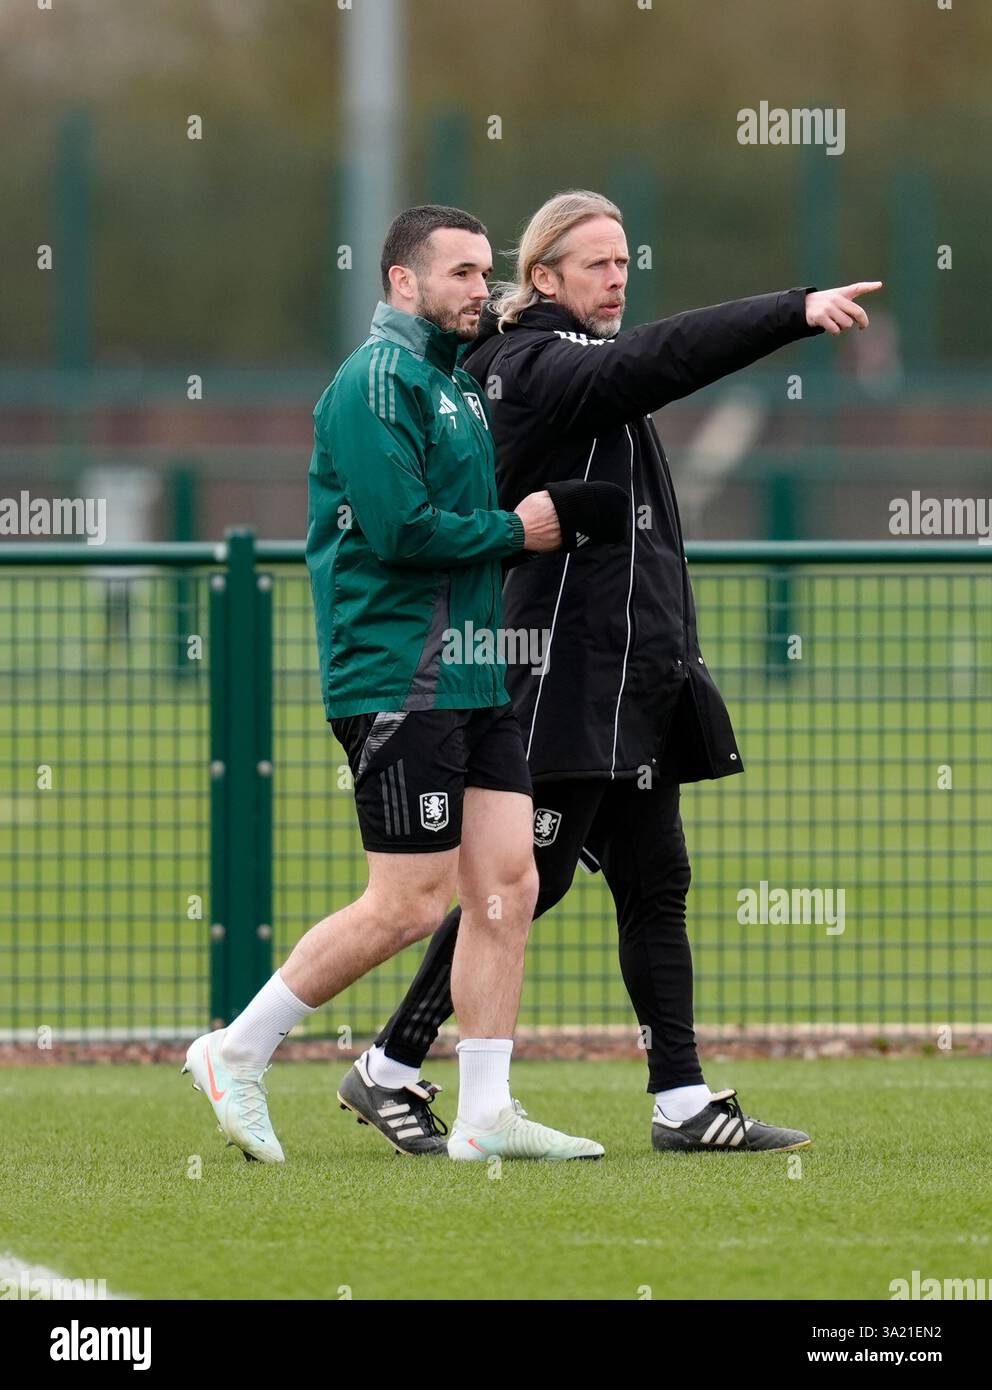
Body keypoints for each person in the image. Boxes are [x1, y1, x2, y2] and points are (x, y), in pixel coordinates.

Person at [345, 189, 882, 1155]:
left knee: (655, 880)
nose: (618, 276)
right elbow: (662, 358)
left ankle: (681, 1100)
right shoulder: (537, 363)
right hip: (557, 680)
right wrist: (791, 310)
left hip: (632, 682)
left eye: (626, 259)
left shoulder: (583, 369)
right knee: (523, 886)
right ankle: (387, 1067)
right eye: (596, 262)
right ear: (543, 277)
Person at [182, 203, 628, 1163]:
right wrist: (526, 529)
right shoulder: (376, 382)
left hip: (471, 673)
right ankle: (237, 1050)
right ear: (401, 282)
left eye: (484, 272)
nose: (482, 290)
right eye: (462, 274)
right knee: (410, 903)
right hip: (398, 677)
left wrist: (540, 515)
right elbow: (400, 533)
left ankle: (484, 1113)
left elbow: (459, 517)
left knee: (509, 882)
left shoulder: (452, 384)